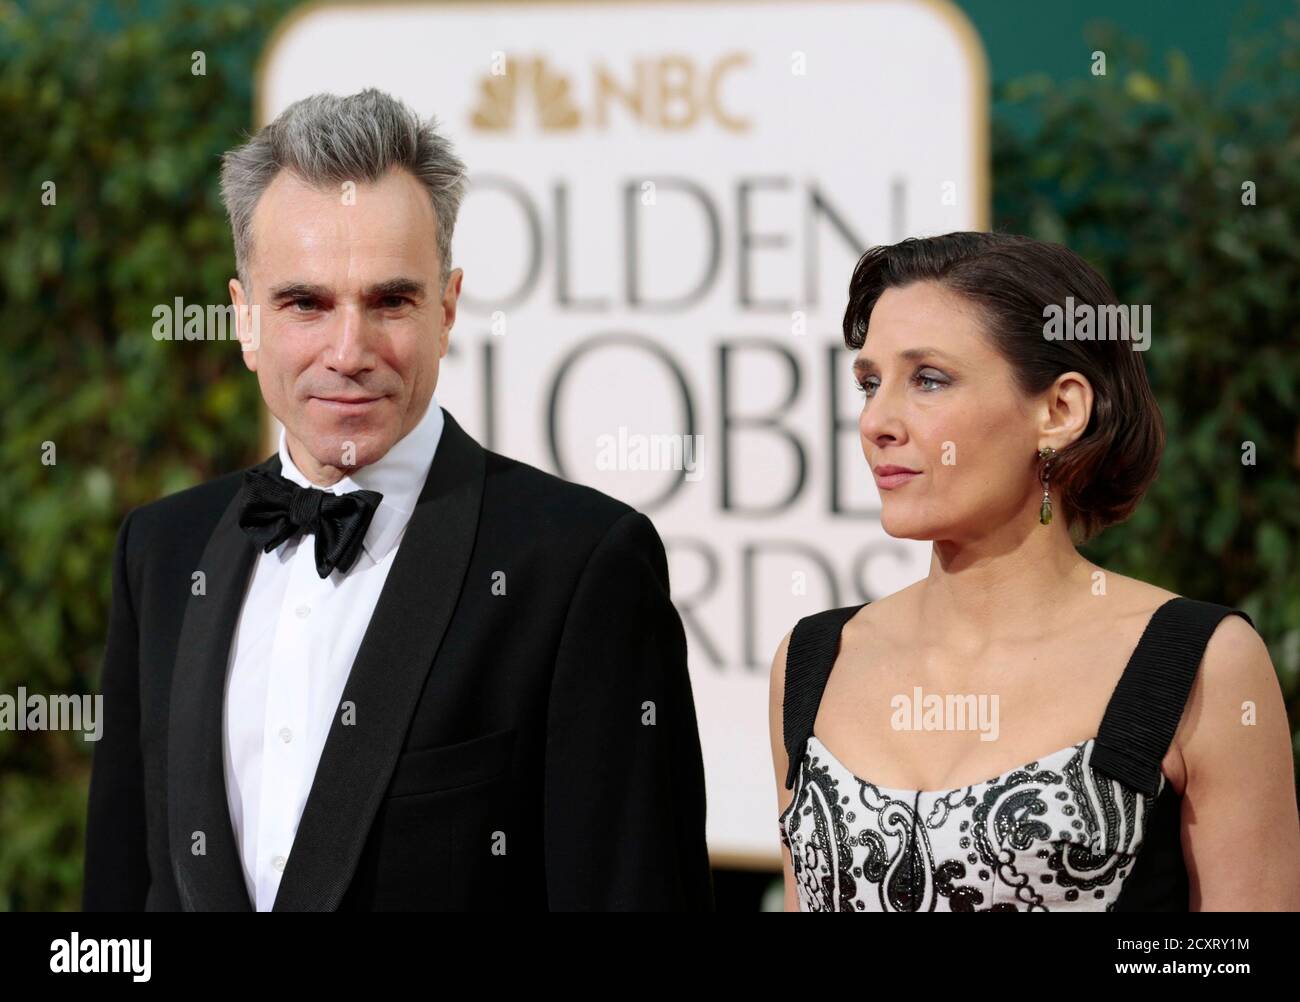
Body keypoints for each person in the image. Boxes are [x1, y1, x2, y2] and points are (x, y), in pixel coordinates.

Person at [83, 89, 713, 911]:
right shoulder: (161, 552)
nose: (349, 352)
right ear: (244, 320)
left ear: (447, 310)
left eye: (390, 301)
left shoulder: (578, 566)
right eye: (305, 302)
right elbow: (118, 902)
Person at [769, 231, 1300, 911]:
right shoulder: (813, 661)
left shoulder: (1199, 660)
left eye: (928, 379)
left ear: (1059, 411)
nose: (876, 420)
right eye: (870, 383)